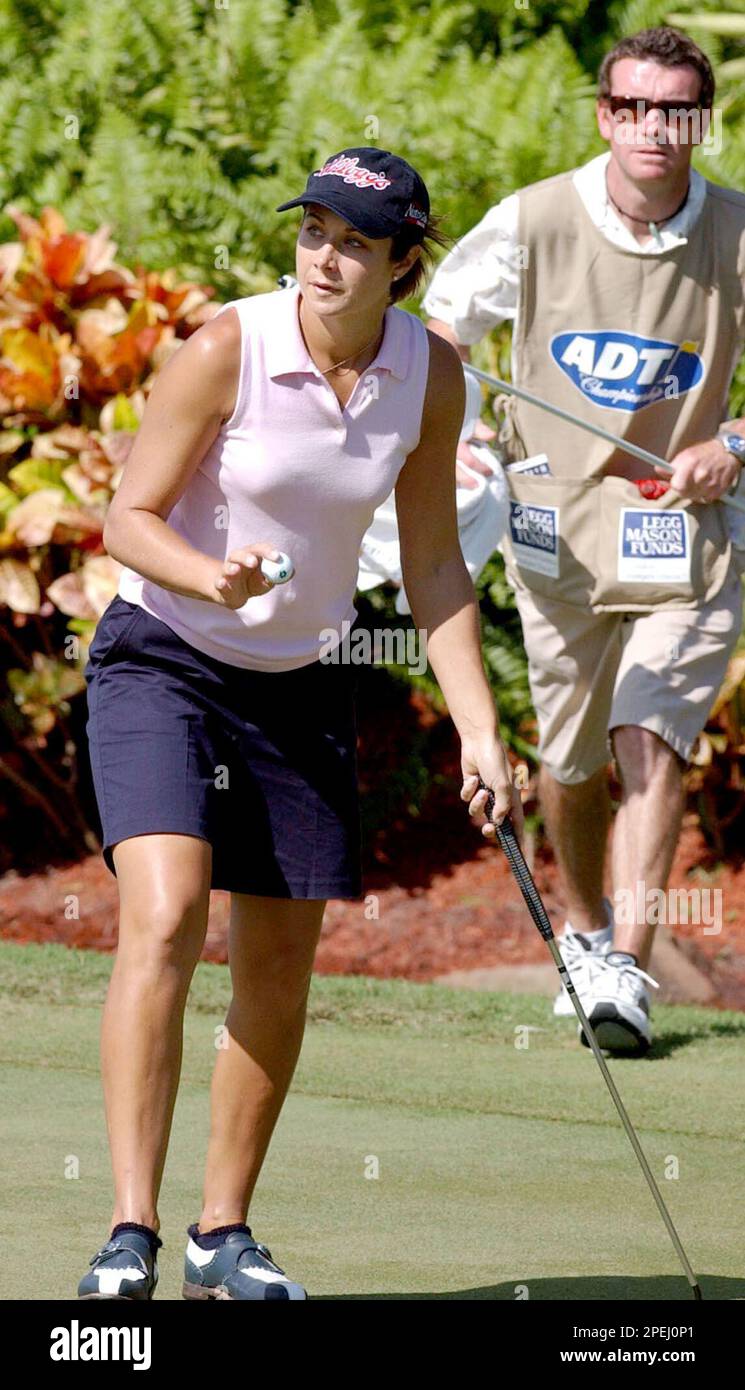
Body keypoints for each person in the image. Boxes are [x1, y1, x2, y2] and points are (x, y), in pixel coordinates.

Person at [80, 146, 522, 1301]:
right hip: (164, 658)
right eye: (314, 230)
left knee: (277, 967)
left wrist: (479, 725)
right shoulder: (232, 343)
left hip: (300, 680)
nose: (325, 258)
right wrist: (208, 574)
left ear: (405, 263)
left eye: (355, 242)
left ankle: (220, 1238)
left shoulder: (430, 374)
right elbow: (125, 518)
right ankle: (129, 1229)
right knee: (168, 911)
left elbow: (432, 564)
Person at [424, 25, 745, 1056]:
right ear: (606, 115)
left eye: (675, 109)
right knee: (566, 762)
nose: (655, 127)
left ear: (702, 119)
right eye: (634, 107)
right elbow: (440, 328)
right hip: (551, 530)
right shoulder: (532, 220)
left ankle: (627, 973)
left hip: (683, 533)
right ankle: (582, 929)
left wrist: (731, 441)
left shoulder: (737, 231)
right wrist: (462, 430)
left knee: (646, 729)